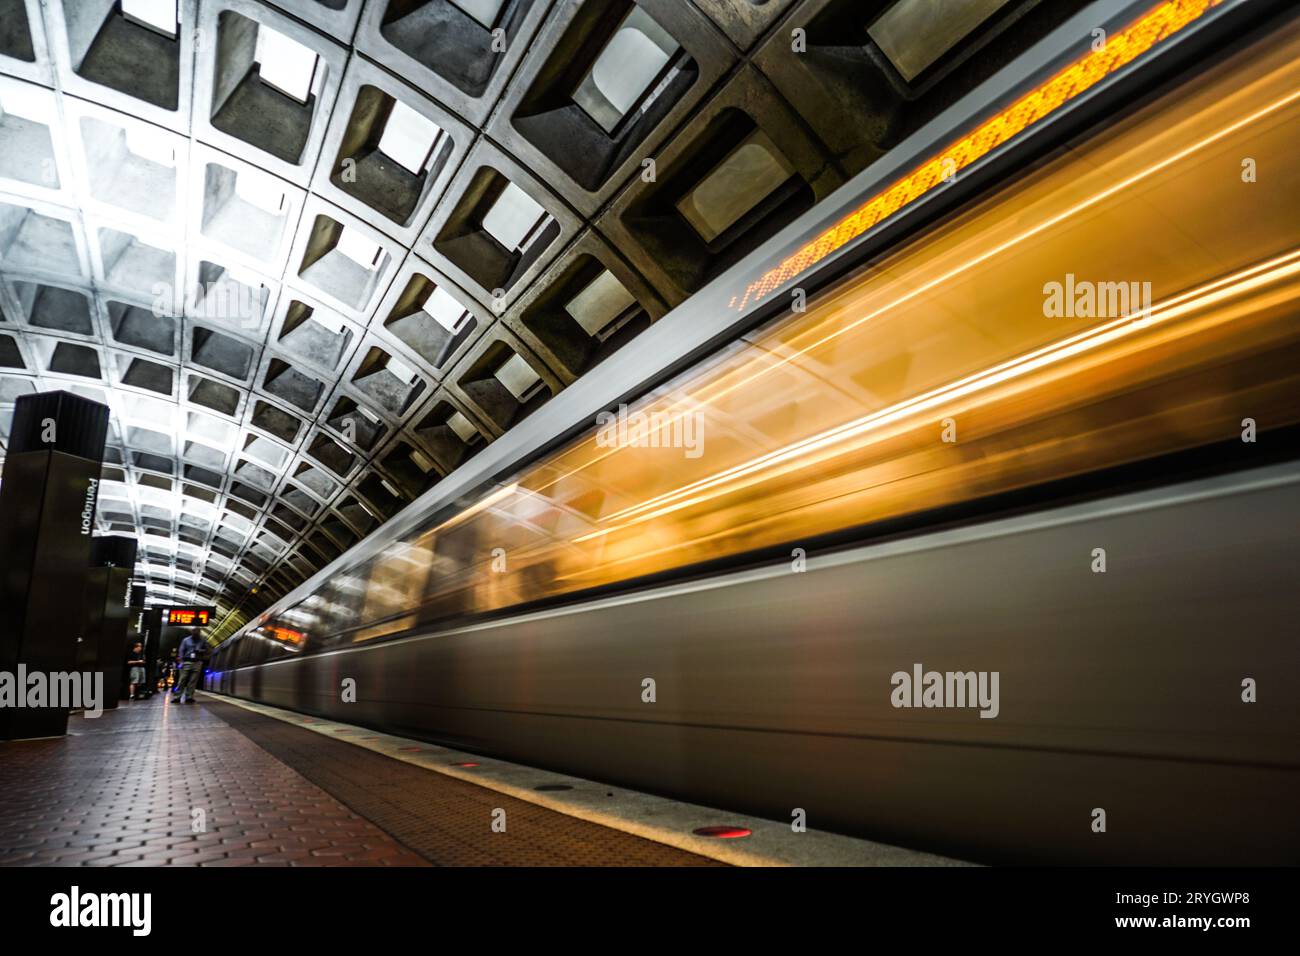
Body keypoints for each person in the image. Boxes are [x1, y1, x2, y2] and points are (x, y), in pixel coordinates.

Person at [173, 632, 210, 705]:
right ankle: (177, 697)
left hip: (197, 662)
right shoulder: (186, 640)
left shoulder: (202, 640)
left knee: (193, 681)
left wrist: (200, 651)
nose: (196, 636)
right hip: (187, 661)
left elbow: (208, 650)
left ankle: (189, 697)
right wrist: (181, 661)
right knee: (182, 679)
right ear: (192, 634)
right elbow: (181, 651)